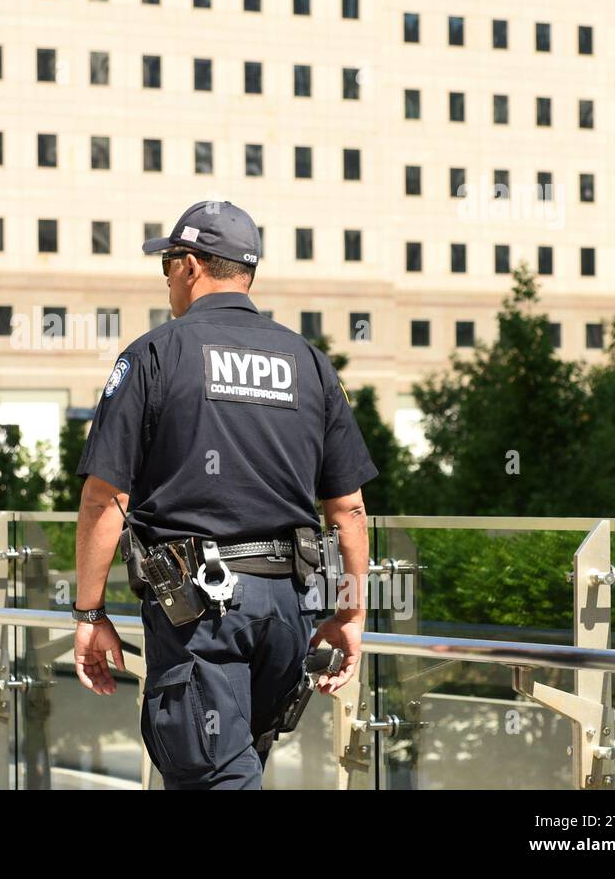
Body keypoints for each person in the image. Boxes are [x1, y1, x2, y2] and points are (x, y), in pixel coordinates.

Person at [69, 199, 379, 790]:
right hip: (289, 608)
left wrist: (89, 613)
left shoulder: (156, 354)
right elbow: (348, 508)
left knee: (218, 777)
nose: (167, 284)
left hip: (199, 613)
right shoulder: (310, 363)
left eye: (167, 268)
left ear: (188, 266)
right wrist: (351, 611)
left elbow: (104, 498)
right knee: (234, 766)